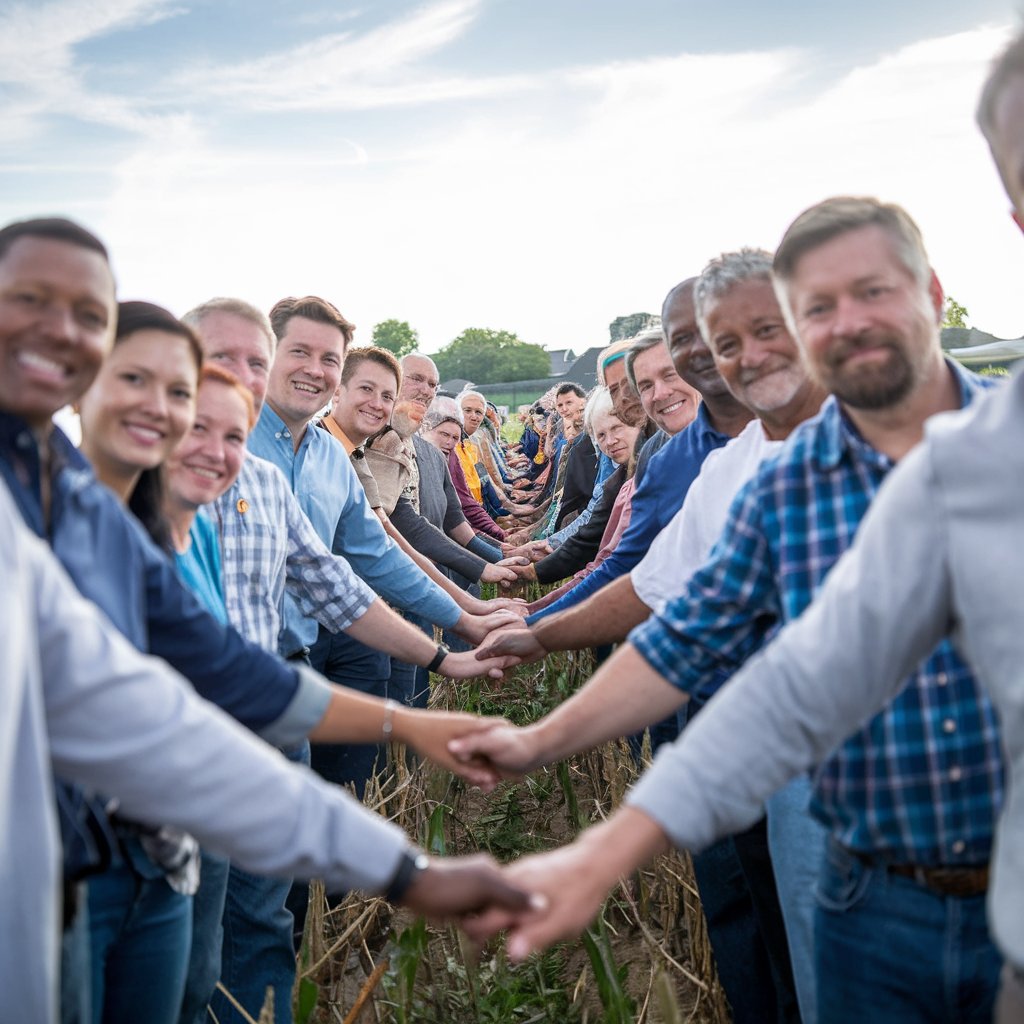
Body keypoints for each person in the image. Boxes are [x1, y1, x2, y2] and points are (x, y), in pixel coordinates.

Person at [460, 198, 1005, 1024]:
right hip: (868, 883)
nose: (844, 325)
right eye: (818, 308)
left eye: (871, 292)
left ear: (931, 293)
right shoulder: (782, 485)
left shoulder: (1003, 442)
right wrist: (545, 752)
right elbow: (688, 635)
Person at [0, 474, 536, 1024]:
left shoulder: (134, 524)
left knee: (219, 953)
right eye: (140, 382)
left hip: (149, 834)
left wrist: (406, 860)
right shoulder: (62, 515)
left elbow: (227, 677)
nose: (207, 446)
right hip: (69, 861)